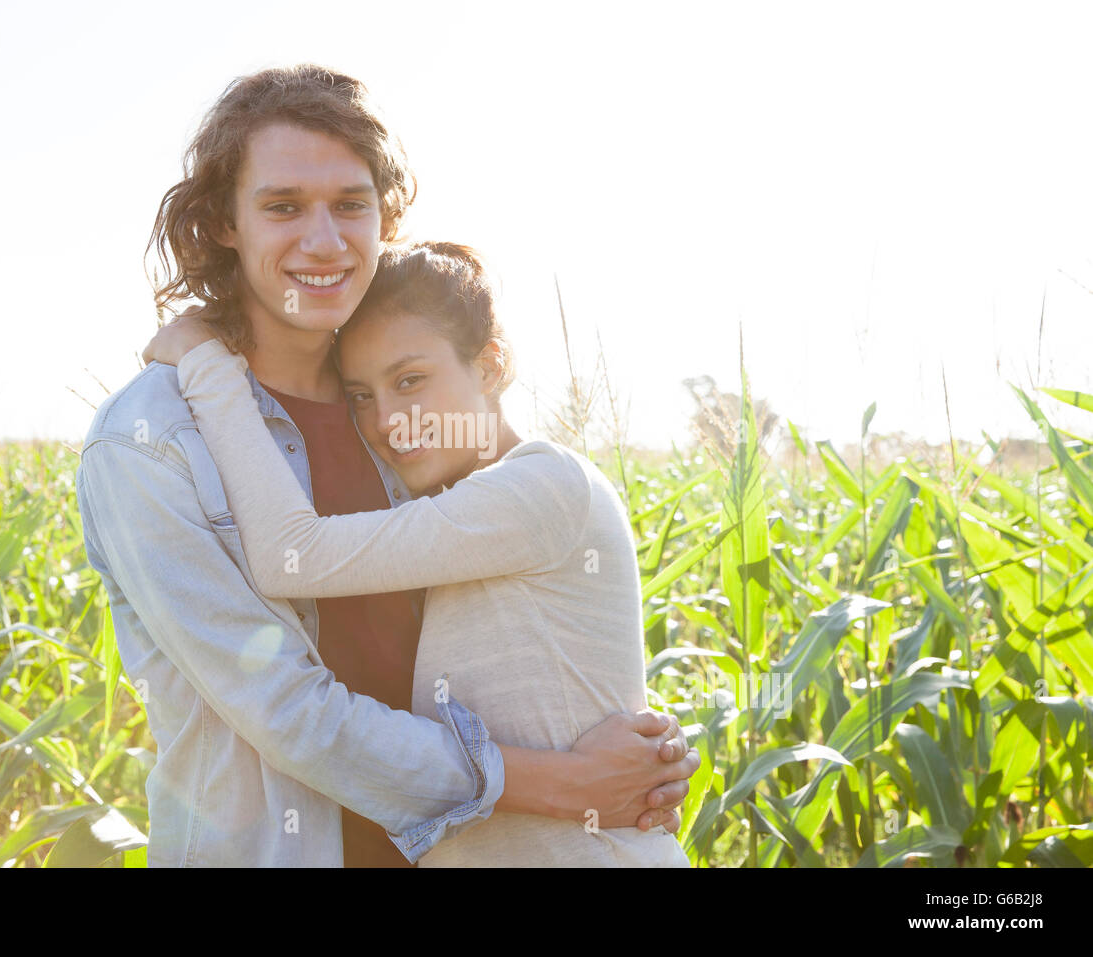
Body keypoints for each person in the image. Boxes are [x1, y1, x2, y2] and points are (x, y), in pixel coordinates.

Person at [76, 63, 698, 867]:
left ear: (384, 216)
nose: (324, 240)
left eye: (350, 204)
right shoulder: (148, 442)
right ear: (225, 224)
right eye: (282, 207)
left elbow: (527, 626)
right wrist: (563, 782)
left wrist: (641, 754)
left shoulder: (400, 421)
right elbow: (288, 709)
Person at [143, 240, 693, 867]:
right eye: (362, 396)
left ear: (490, 366)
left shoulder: (543, 485)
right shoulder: (445, 506)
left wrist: (209, 370)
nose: (388, 421)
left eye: (410, 381)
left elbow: (291, 554)